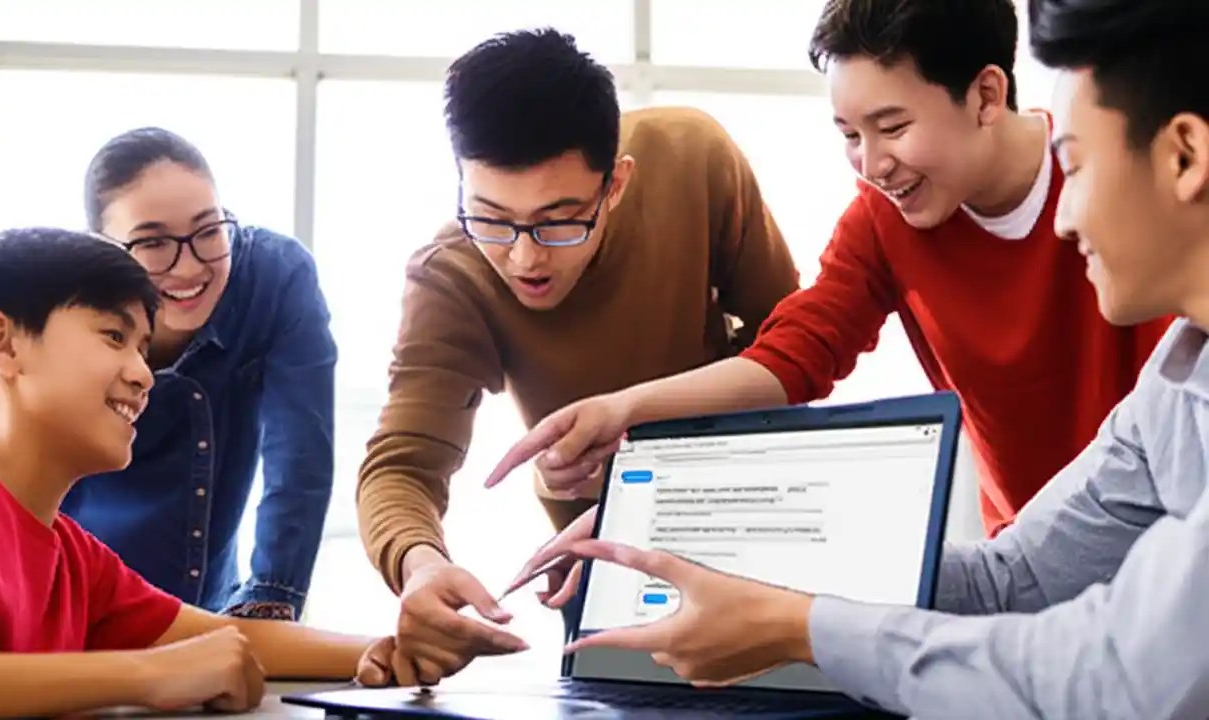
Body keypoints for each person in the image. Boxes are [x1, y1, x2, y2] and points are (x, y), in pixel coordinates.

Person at [503, 0, 1209, 716]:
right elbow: (1013, 578)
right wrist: (681, 535)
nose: (871, 164)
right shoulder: (1177, 379)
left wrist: (795, 626)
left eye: (1078, 166)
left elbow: (1117, 672)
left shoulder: (1148, 290)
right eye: (849, 134)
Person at [357, 28, 800, 683]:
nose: (524, 256)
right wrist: (420, 565)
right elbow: (401, 467)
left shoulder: (694, 159)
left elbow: (794, 356)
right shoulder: (449, 274)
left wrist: (651, 457)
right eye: (490, 217)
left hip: (747, 536)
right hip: (600, 572)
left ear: (615, 185)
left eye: (560, 220)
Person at [0, 228, 451, 718]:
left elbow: (227, 638)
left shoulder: (78, 561)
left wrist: (395, 648)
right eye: (114, 336)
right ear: (3, 342)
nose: (142, 374)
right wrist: (142, 674)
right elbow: (169, 662)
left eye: (142, 349)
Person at [59, 127, 335, 620]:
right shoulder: (60, 306)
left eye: (209, 231)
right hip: (78, 606)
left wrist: (271, 598)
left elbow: (299, 454)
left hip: (207, 613)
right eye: (153, 243)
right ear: (99, 248)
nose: (189, 269)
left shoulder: (274, 278)